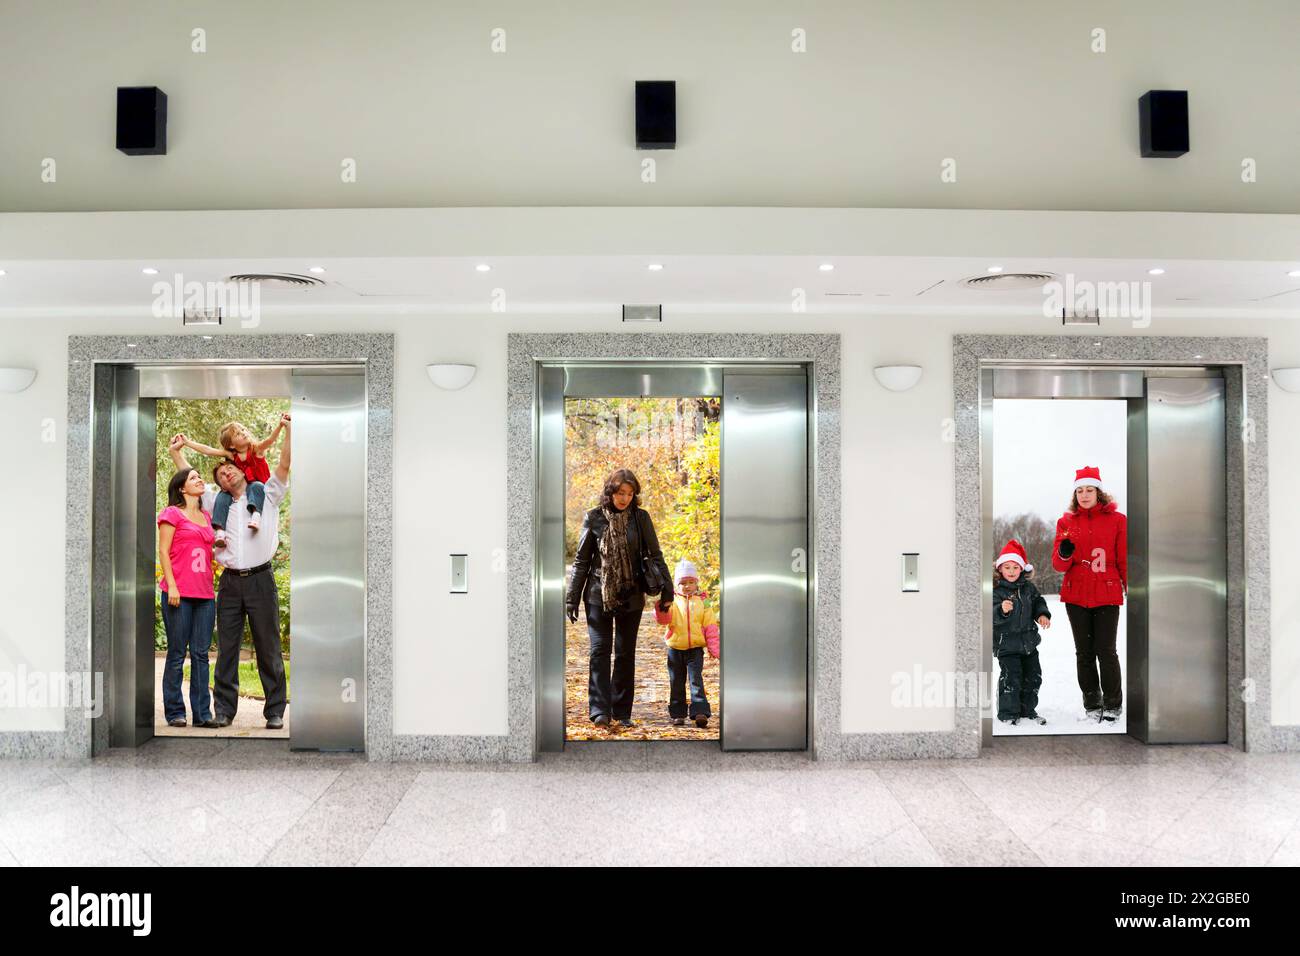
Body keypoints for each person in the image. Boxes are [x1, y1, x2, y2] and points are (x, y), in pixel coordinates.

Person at [168, 414, 291, 730]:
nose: (225, 473)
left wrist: (288, 432)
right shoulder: (216, 503)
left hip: (261, 580)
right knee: (227, 649)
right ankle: (224, 710)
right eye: (220, 473)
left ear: (242, 471)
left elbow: (283, 467)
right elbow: (186, 478)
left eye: (230, 468)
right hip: (231, 583)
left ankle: (274, 710)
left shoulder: (265, 495)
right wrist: (176, 452)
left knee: (269, 647)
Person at [565, 468, 674, 730]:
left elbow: (655, 554)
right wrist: (571, 598)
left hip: (631, 595)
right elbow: (581, 562)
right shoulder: (593, 518)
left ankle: (622, 710)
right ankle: (600, 710)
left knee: (625, 653)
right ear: (610, 492)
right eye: (620, 492)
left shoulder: (641, 518)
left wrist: (668, 589)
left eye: (629, 493)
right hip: (597, 594)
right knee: (599, 651)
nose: (624, 498)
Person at [1052, 465, 1128, 722]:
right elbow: (1058, 565)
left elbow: (1123, 559)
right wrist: (1064, 552)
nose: (1084, 495)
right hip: (1077, 596)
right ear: (1075, 495)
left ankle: (1113, 704)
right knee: (1083, 652)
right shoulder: (1066, 522)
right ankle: (1092, 704)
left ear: (1099, 492)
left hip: (1106, 593)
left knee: (1106, 651)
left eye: (1089, 489)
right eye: (1080, 490)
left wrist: (1131, 588)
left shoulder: (1118, 520)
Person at [157, 467, 220, 729]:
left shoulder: (206, 516)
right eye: (193, 478)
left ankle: (203, 714)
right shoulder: (172, 513)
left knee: (201, 654)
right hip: (178, 594)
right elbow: (163, 549)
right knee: (176, 653)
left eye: (199, 477)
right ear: (182, 488)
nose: (199, 479)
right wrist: (172, 585)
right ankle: (175, 712)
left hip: (205, 594)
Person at [179, 417, 287, 550]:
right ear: (231, 445)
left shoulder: (256, 450)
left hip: (259, 487)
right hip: (246, 488)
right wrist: (188, 443)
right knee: (222, 497)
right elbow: (208, 450)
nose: (243, 432)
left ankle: (256, 515)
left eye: (243, 429)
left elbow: (270, 440)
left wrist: (281, 426)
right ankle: (220, 530)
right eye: (237, 433)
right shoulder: (232, 456)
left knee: (255, 486)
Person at [992, 539, 1051, 726]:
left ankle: (1027, 710)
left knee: (1033, 677)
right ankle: (1008, 714)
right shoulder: (996, 590)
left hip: (1029, 643)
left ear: (1022, 569)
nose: (1011, 571)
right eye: (1007, 567)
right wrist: (1001, 609)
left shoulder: (1028, 588)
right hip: (1007, 645)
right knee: (1012, 678)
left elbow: (1038, 602)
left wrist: (1041, 614)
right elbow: (990, 614)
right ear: (1000, 569)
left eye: (1015, 567)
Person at [654, 558, 718, 728]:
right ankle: (678, 713)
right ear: (677, 585)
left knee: (695, 680)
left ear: (697, 583)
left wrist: (714, 648)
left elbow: (710, 626)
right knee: (676, 681)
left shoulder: (703, 602)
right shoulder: (673, 601)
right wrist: (662, 608)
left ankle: (700, 712)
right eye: (683, 583)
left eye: (691, 582)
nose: (687, 586)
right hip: (675, 649)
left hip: (695, 649)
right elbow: (664, 620)